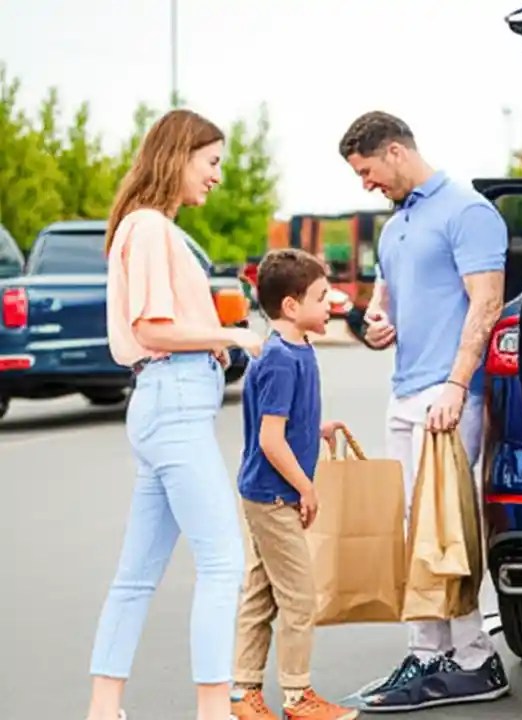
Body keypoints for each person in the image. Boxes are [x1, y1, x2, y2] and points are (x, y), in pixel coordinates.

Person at [89, 108, 264, 720]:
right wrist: (233, 336)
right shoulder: (151, 228)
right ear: (179, 155)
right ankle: (215, 710)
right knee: (223, 563)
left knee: (136, 576)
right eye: (211, 162)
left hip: (163, 402)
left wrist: (209, 338)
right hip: (175, 405)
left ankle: (103, 707)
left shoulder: (143, 227)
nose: (216, 176)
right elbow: (152, 327)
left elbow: (158, 328)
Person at [337, 111, 511, 712]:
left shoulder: (468, 212)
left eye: (366, 171)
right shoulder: (395, 227)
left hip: (448, 394)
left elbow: (485, 305)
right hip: (405, 390)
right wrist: (375, 326)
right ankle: (428, 652)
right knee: (414, 529)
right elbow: (383, 305)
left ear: (394, 151)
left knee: (447, 528)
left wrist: (458, 385)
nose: (365, 184)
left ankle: (475, 659)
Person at [228, 249, 356, 720]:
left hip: (265, 492)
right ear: (291, 307)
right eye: (322, 298)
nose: (330, 304)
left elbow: (281, 422)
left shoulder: (296, 349)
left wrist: (314, 428)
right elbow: (270, 440)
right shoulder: (281, 358)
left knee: (261, 594)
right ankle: (298, 697)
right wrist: (307, 488)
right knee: (300, 598)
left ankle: (244, 694)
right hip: (274, 495)